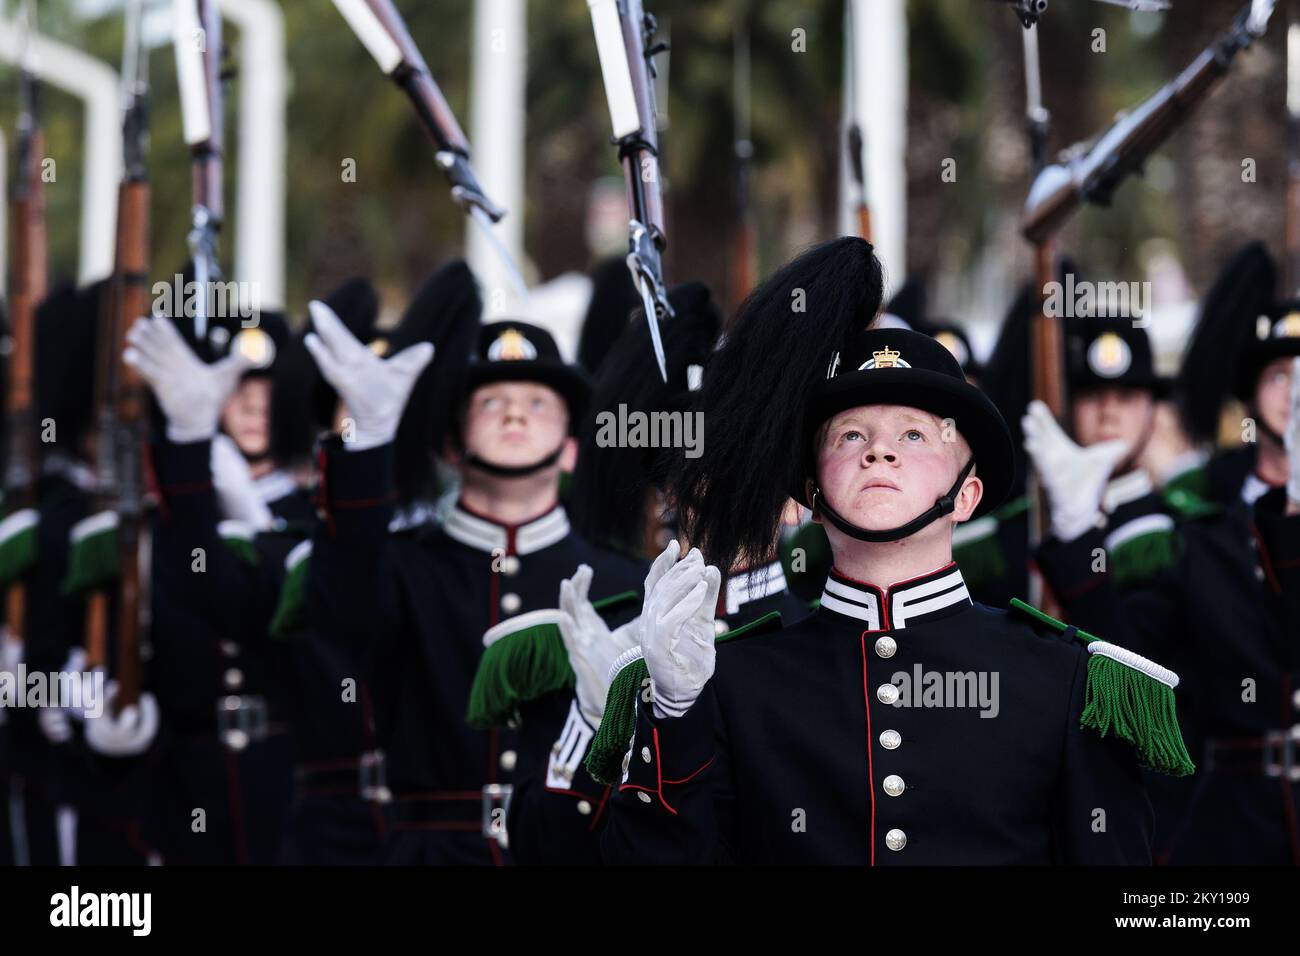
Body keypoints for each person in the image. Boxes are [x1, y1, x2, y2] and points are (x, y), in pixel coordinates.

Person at [593, 237, 1185, 864]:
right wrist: (675, 714)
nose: (879, 452)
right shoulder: (730, 684)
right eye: (851, 434)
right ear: (811, 491)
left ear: (967, 495)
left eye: (914, 433)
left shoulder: (1067, 680)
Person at [302, 304, 645, 864]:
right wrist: (365, 446)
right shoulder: (403, 566)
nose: (515, 415)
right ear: (451, 444)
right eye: (490, 402)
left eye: (538, 403)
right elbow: (337, 612)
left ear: (571, 447)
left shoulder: (624, 581)